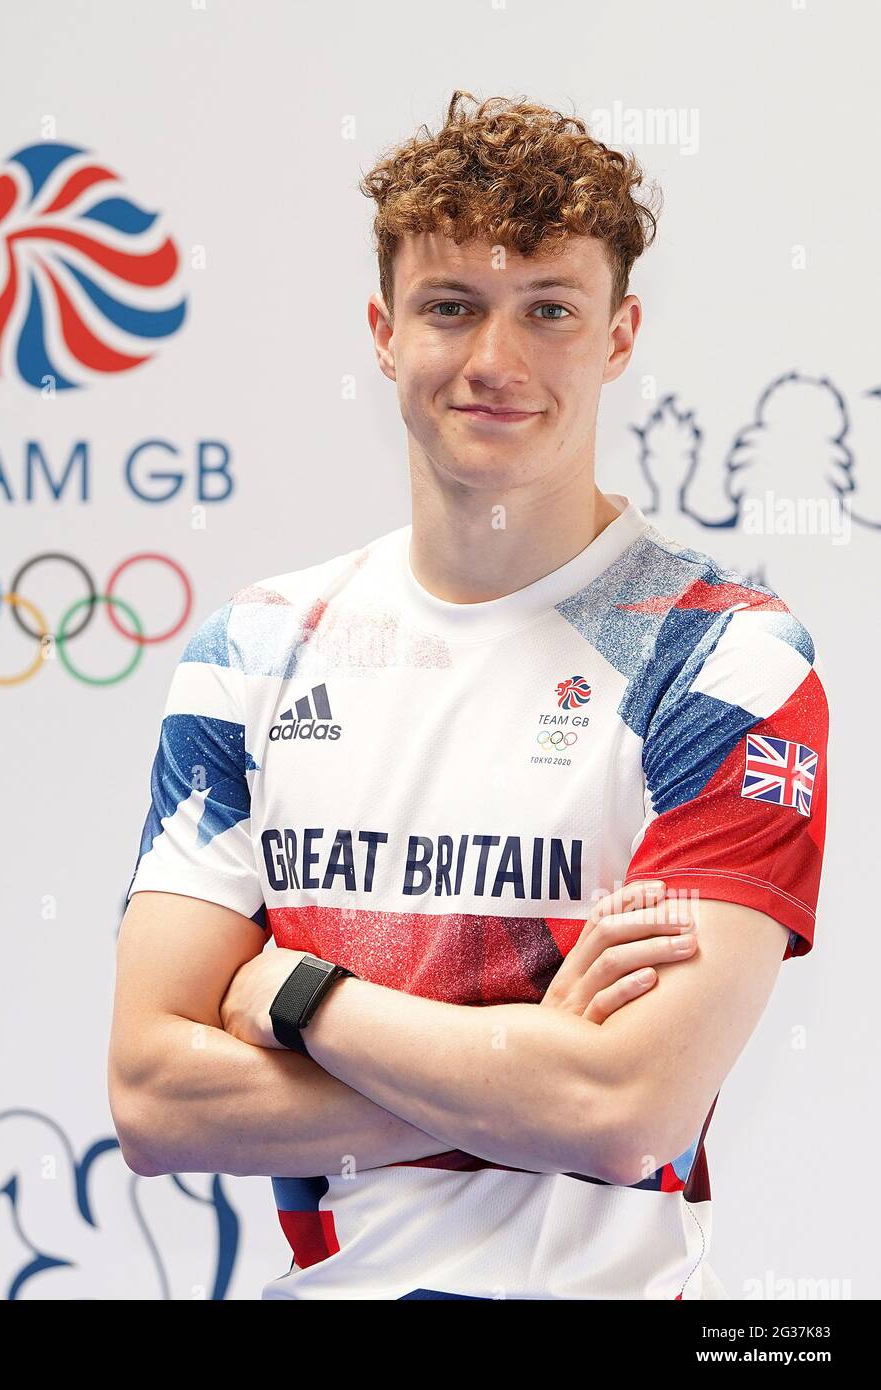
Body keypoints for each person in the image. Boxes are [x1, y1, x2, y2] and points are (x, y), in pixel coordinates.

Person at [107, 91, 828, 1300]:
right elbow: (151, 1097)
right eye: (452, 307)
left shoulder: (724, 660)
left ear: (617, 334)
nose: (495, 362)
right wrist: (529, 1064)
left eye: (548, 310)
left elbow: (624, 1112)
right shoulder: (259, 648)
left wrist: (295, 993)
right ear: (384, 331)